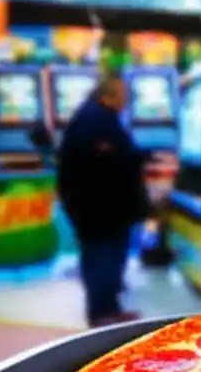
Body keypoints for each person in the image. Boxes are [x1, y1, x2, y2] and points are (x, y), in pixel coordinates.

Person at [57, 75, 148, 327]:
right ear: (110, 94)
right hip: (101, 208)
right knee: (104, 256)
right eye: (123, 94)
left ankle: (108, 308)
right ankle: (103, 313)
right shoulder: (96, 120)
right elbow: (107, 163)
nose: (127, 99)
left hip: (96, 206)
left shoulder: (94, 115)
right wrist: (137, 159)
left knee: (103, 256)